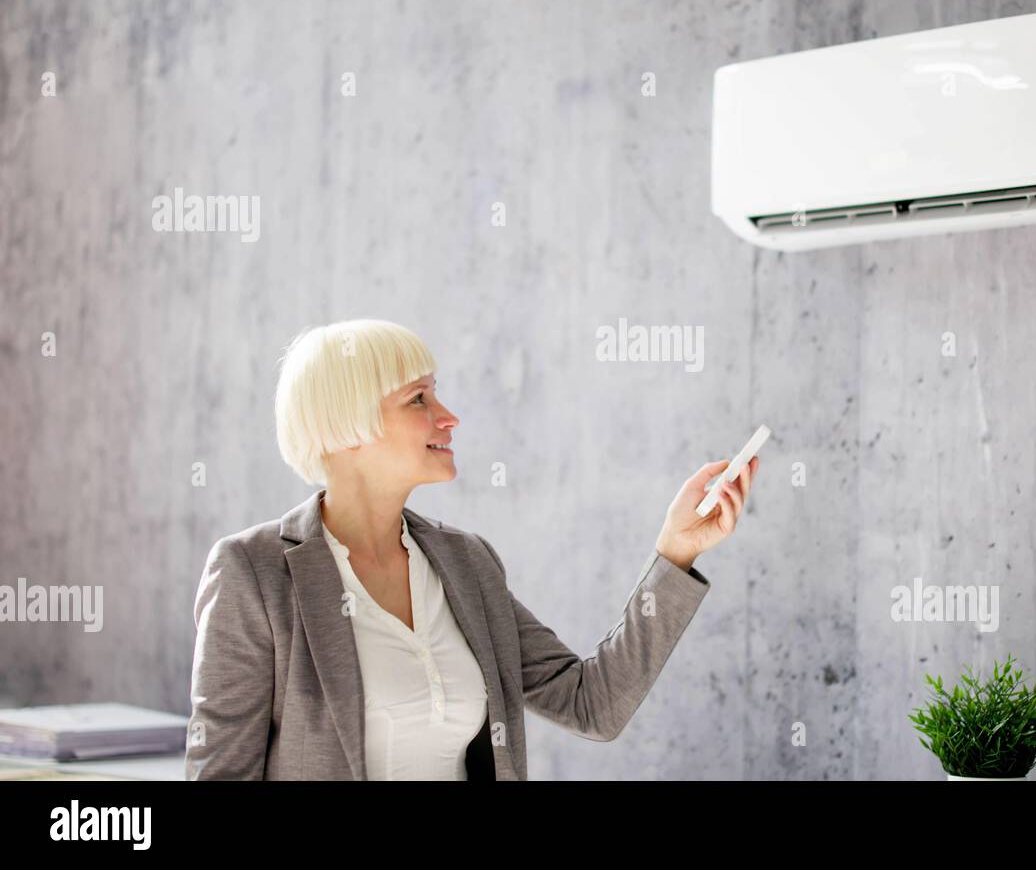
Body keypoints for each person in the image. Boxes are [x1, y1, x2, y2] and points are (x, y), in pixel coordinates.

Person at [185, 318, 758, 779]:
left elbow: (593, 705)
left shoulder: (467, 564)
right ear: (348, 425)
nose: (448, 416)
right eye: (418, 399)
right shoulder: (255, 574)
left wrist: (675, 553)